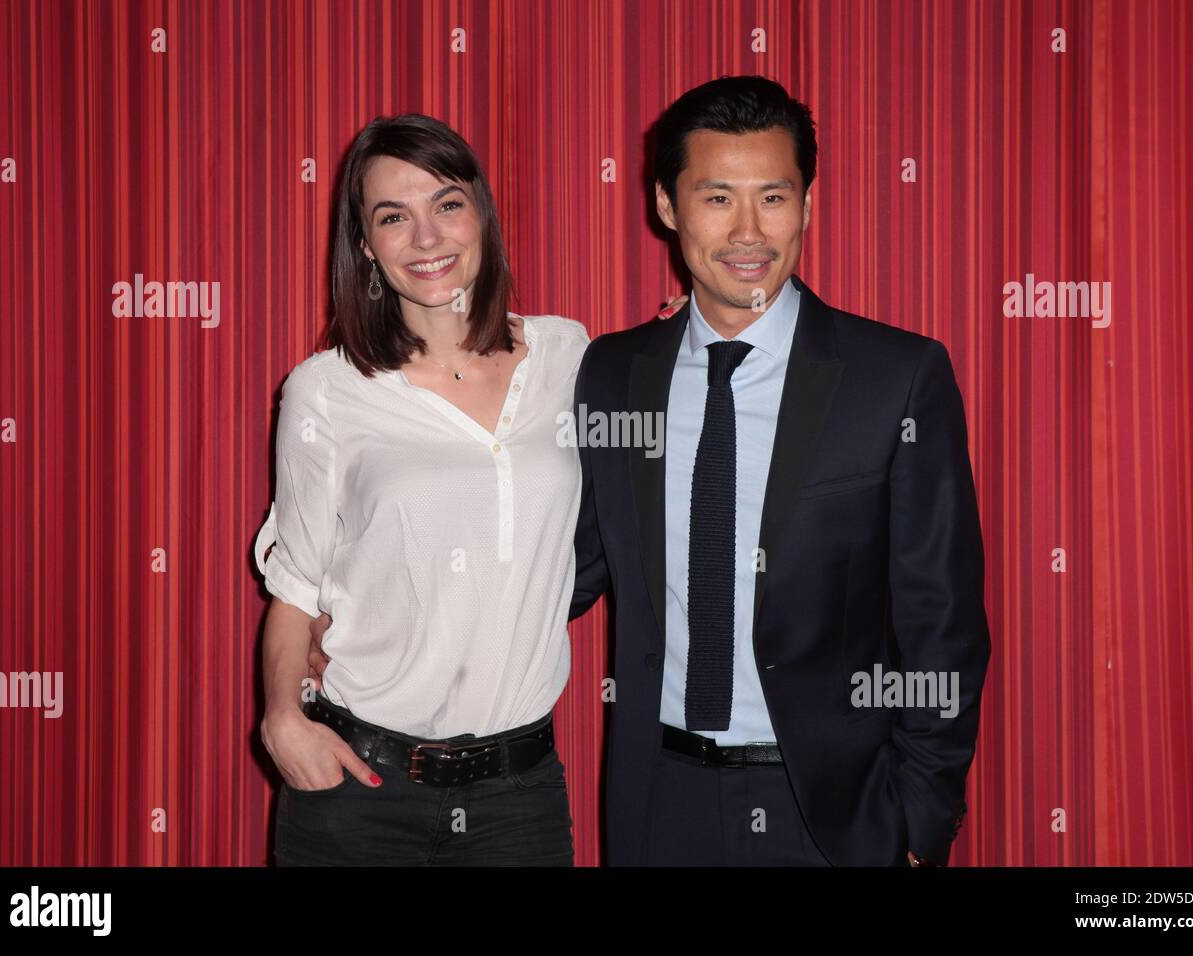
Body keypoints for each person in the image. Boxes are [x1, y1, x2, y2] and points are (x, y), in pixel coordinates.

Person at [564, 75, 992, 866]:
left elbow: (944, 622)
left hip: (832, 815)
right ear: (668, 206)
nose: (748, 232)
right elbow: (569, 568)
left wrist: (918, 821)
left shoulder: (894, 377)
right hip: (658, 802)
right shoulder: (613, 373)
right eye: (717, 197)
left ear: (807, 203)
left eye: (775, 196)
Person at [255, 113, 595, 865]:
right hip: (358, 787)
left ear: (482, 214)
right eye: (392, 218)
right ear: (367, 246)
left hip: (519, 797)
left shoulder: (571, 358)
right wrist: (282, 717)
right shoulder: (326, 391)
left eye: (446, 203)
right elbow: (297, 587)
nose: (427, 237)